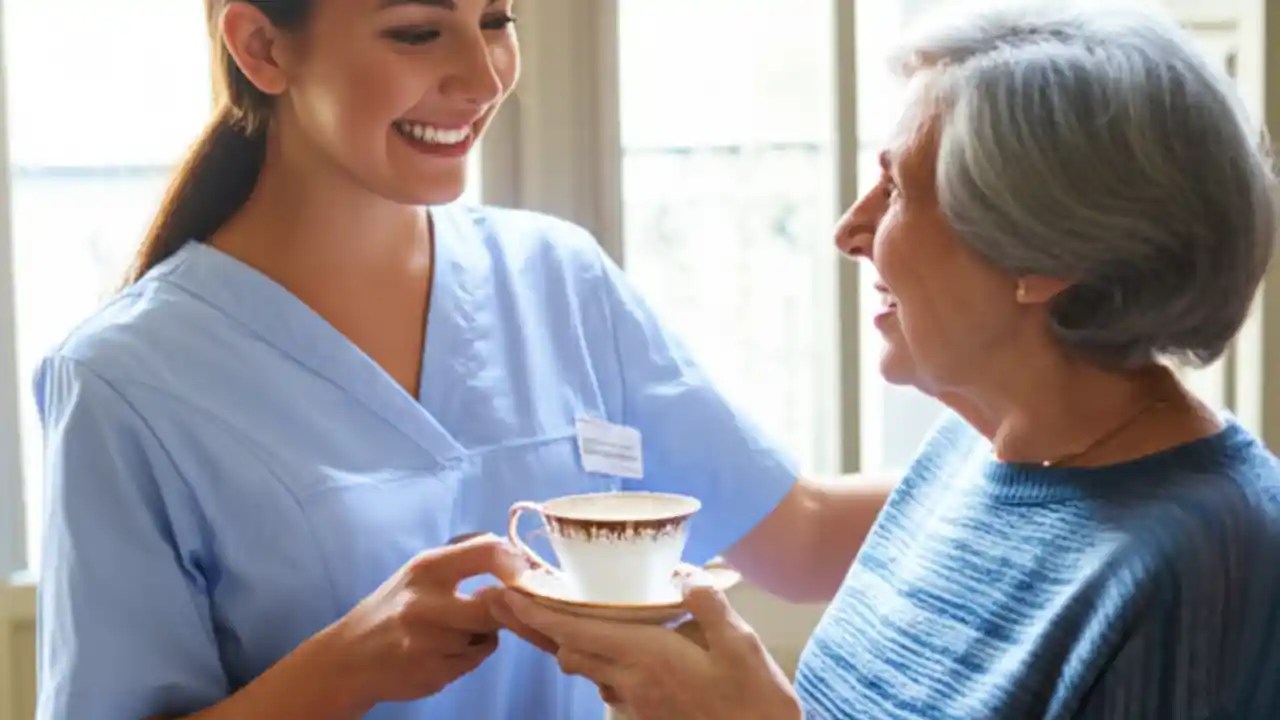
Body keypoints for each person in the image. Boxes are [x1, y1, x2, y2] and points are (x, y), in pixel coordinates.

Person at [31, 1, 893, 718]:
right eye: (417, 32)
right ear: (262, 47)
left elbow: (804, 537)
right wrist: (343, 669)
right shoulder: (124, 381)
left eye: (495, 20)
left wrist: (992, 404)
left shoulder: (559, 279)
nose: (483, 79)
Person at [496, 2, 1280, 718]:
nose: (850, 230)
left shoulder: (1211, 560)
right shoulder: (972, 457)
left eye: (897, 190)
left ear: (1045, 258)